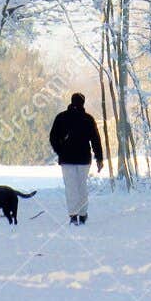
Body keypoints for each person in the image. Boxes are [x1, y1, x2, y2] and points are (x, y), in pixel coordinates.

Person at [49, 93, 104, 225]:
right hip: (84, 159)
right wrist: (99, 158)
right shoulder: (88, 119)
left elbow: (53, 138)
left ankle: (73, 215)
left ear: (71, 102)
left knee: (71, 188)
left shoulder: (61, 118)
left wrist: (60, 151)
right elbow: (96, 140)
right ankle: (83, 214)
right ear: (83, 103)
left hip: (66, 159)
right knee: (82, 187)